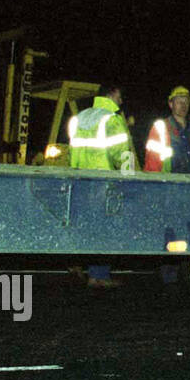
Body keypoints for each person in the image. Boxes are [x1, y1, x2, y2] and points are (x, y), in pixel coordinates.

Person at [67, 82, 137, 288]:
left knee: (82, 225)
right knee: (103, 228)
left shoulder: (80, 117)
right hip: (103, 183)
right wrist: (129, 178)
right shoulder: (112, 119)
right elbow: (122, 153)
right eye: (120, 96)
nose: (121, 101)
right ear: (112, 93)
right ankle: (98, 276)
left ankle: (75, 264)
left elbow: (72, 151)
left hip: (79, 180)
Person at [145, 86, 190, 175]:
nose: (183, 105)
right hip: (170, 183)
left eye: (186, 101)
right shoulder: (161, 128)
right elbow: (152, 161)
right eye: (179, 102)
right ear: (171, 104)